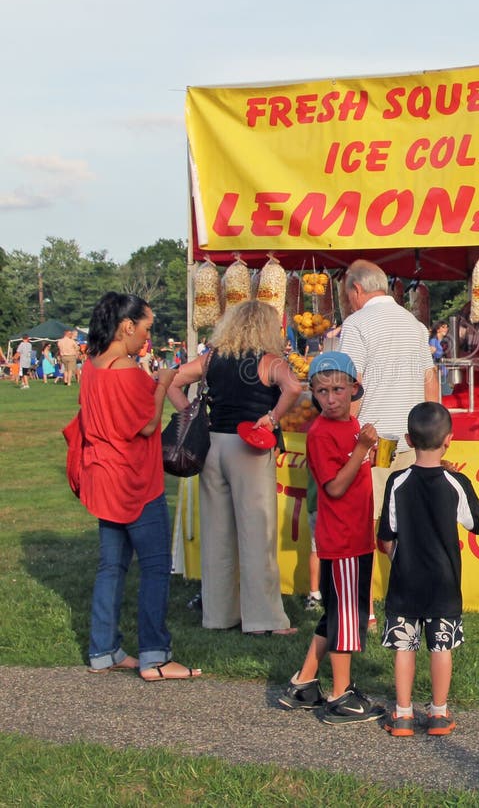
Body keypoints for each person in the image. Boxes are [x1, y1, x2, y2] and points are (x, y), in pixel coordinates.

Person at [79, 291, 201, 680]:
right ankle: (155, 655)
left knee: (110, 566)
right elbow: (147, 424)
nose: (147, 337)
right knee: (154, 566)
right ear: (127, 325)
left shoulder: (91, 366)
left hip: (102, 477)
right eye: (145, 328)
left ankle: (104, 650)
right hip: (135, 480)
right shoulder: (128, 371)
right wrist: (162, 384)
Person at [167, 300, 301, 635]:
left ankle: (218, 614)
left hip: (213, 444)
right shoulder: (269, 361)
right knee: (257, 534)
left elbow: (172, 379)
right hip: (250, 447)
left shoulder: (211, 357)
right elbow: (294, 387)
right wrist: (272, 418)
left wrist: (190, 413)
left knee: (217, 534)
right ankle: (263, 619)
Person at [279, 352, 384, 725]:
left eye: (338, 389)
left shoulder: (352, 424)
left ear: (355, 388)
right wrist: (360, 451)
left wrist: (362, 446)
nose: (331, 398)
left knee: (337, 614)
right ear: (312, 393)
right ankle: (341, 694)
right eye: (322, 391)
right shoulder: (321, 434)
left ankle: (304, 682)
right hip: (340, 540)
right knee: (346, 619)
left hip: (356, 534)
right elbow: (335, 487)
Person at [377, 402, 479, 737]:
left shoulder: (397, 481)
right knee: (441, 647)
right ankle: (439, 713)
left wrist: (399, 557)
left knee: (404, 648)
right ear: (449, 440)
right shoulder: (456, 482)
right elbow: (477, 524)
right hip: (444, 580)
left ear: (409, 440)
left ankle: (404, 714)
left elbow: (384, 538)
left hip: (405, 579)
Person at [339, 259, 439, 454]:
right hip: (412, 443)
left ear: (357, 289)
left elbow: (351, 385)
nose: (349, 302)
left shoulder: (356, 324)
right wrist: (431, 436)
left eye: (348, 294)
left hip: (372, 446)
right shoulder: (415, 324)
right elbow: (430, 380)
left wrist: (341, 435)